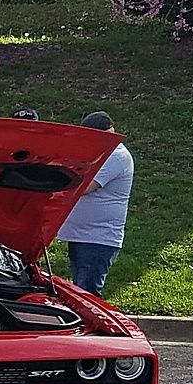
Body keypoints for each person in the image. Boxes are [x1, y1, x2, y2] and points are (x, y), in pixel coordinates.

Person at [57, 110, 134, 298]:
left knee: (87, 295)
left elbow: (84, 187)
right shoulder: (101, 153)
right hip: (83, 236)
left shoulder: (116, 156)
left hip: (98, 238)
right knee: (79, 292)